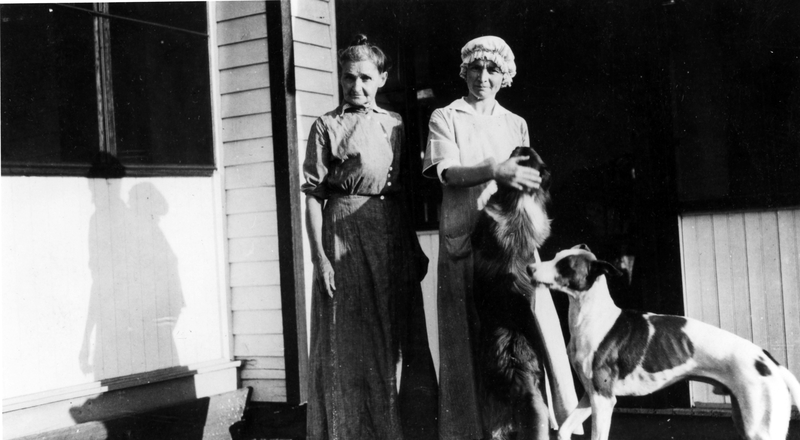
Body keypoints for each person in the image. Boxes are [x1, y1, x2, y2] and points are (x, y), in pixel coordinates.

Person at [422, 36, 580, 440]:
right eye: (476, 68)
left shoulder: (515, 124)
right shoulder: (446, 116)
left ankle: (542, 427)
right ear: (465, 71)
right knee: (468, 343)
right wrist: (496, 170)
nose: (483, 77)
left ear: (504, 75)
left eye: (493, 70)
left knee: (528, 341)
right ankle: (470, 432)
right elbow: (448, 173)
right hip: (464, 244)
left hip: (512, 250)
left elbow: (528, 183)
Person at [303, 35, 438, 440]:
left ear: (381, 78)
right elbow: (313, 195)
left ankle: (392, 429)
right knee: (348, 336)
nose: (356, 86)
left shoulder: (394, 123)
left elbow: (404, 192)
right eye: (348, 78)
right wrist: (320, 257)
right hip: (343, 232)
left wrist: (411, 245)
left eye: (365, 78)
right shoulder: (327, 125)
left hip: (389, 232)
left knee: (392, 333)